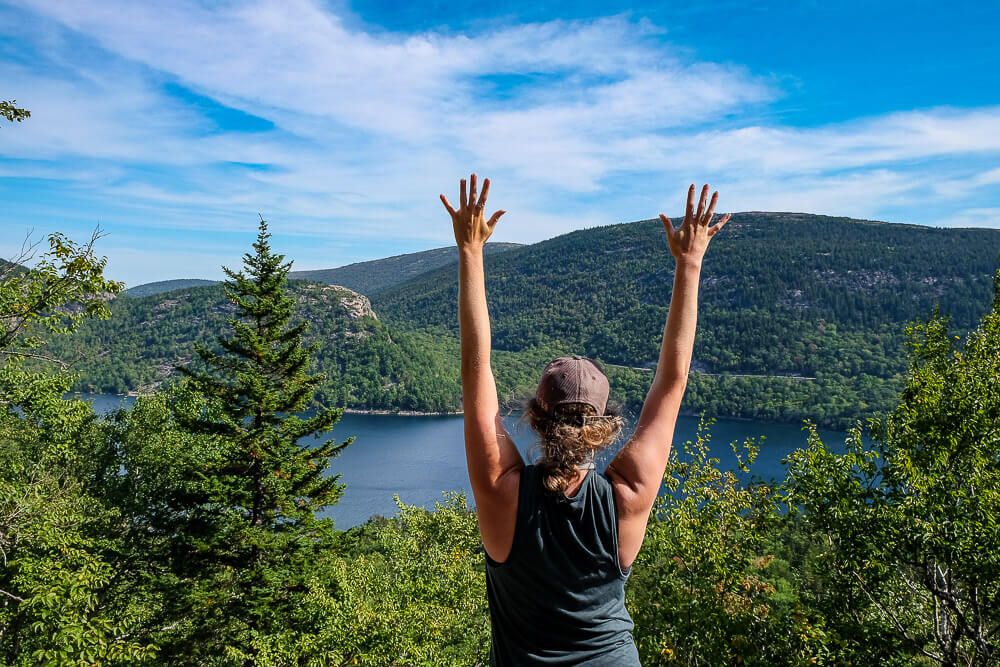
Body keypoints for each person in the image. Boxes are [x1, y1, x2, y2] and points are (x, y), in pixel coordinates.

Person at [440, 175, 731, 665]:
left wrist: (471, 252)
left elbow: (476, 371)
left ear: (536, 415)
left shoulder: (502, 490)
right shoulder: (626, 497)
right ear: (604, 424)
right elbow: (673, 380)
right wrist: (690, 263)